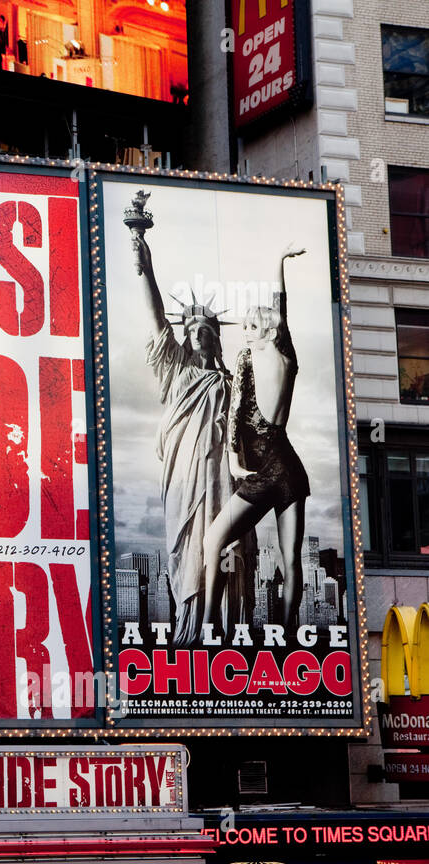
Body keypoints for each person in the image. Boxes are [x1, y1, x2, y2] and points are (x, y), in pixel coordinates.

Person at [133, 220, 254, 647]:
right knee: (187, 544)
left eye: (206, 330)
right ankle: (187, 625)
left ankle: (212, 625)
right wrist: (143, 257)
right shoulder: (177, 371)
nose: (198, 334)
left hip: (222, 472)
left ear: (216, 338)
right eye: (191, 330)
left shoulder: (231, 383)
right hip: (184, 474)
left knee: (220, 545)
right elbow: (155, 320)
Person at [202, 247, 310, 633]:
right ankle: (289, 634)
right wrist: (278, 261)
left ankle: (208, 625)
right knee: (292, 560)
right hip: (292, 470)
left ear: (264, 329)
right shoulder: (287, 356)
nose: (244, 330)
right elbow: (283, 303)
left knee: (213, 538)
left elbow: (234, 412)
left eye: (250, 324)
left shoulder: (248, 356)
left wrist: (232, 458)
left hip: (264, 470)